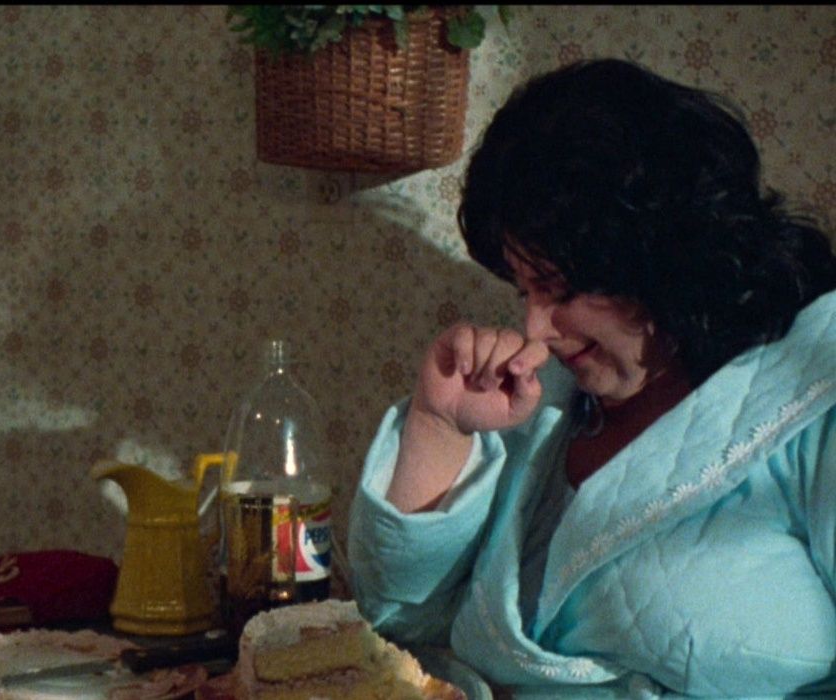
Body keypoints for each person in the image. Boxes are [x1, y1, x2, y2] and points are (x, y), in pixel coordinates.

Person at [349, 58, 836, 697]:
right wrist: (439, 424)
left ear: (657, 259)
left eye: (557, 289)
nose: (536, 327)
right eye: (523, 290)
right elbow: (399, 621)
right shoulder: (544, 411)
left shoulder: (812, 392)